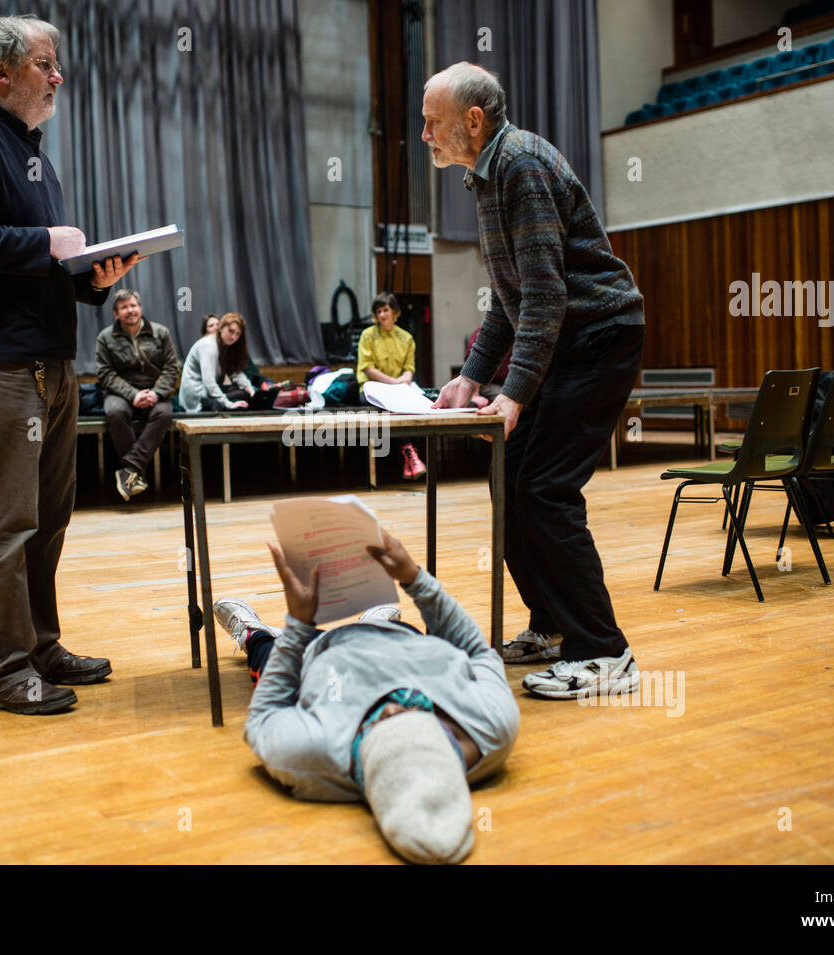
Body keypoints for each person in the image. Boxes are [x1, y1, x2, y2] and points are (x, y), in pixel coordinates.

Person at [0, 14, 141, 715]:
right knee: (5, 522)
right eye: (45, 64)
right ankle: (4, 669)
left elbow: (40, 261)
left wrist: (92, 278)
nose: (58, 77)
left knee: (48, 518)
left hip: (50, 360)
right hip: (0, 363)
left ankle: (42, 645)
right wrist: (48, 241)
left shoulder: (33, 153)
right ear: (2, 72)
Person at [426, 62, 645, 698]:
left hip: (598, 336)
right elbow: (511, 299)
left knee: (546, 489)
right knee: (512, 478)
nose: (424, 136)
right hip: (562, 339)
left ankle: (604, 652)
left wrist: (513, 393)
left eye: (432, 123)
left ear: (473, 121)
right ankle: (550, 626)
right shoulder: (485, 173)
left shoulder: (520, 165)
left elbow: (546, 295)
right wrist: (470, 378)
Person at [213, 528, 519, 865]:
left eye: (377, 723)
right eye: (410, 711)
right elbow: (476, 650)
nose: (391, 705)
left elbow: (263, 716)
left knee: (267, 658)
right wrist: (415, 579)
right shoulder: (493, 725)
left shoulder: (308, 756)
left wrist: (299, 622)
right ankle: (375, 622)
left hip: (316, 654)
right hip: (400, 640)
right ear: (453, 746)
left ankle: (254, 633)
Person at [95, 289, 179, 501]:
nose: (130, 310)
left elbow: (172, 367)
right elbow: (105, 373)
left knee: (164, 413)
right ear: (116, 313)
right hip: (121, 392)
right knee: (114, 412)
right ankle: (134, 473)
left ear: (140, 308)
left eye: (133, 305)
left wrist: (157, 393)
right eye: (124, 307)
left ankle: (130, 470)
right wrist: (133, 394)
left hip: (154, 390)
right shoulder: (105, 337)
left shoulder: (161, 332)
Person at [356, 292, 426, 480]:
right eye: (378, 311)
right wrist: (394, 383)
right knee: (389, 406)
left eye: (386, 310)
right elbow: (368, 369)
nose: (382, 315)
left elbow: (409, 370)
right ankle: (409, 453)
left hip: (397, 389)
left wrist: (402, 382)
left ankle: (409, 455)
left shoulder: (406, 339)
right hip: (371, 388)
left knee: (417, 404)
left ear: (395, 312)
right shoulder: (367, 336)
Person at [178, 312, 255, 412]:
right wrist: (228, 404)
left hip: (208, 392)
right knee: (238, 403)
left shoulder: (226, 345)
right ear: (221, 327)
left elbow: (235, 372)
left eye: (237, 334)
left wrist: (249, 388)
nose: (233, 337)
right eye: (231, 331)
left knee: (245, 395)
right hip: (197, 398)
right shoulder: (209, 345)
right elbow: (209, 382)